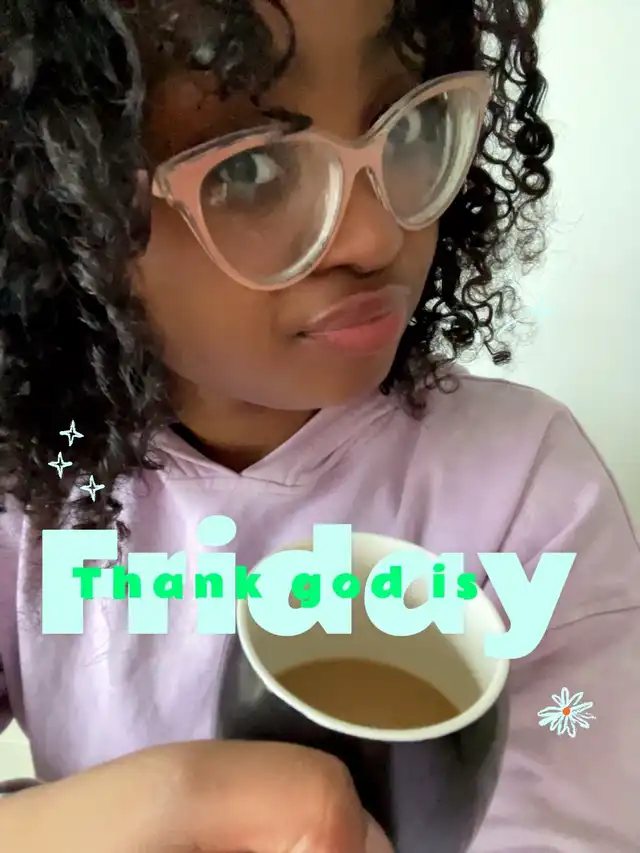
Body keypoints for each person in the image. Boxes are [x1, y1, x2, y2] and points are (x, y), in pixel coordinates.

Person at [0, 0, 638, 850]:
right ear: (61, 203)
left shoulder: (525, 495)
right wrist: (152, 804)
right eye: (252, 170)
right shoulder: (30, 489)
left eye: (411, 127)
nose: (374, 234)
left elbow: (580, 785)